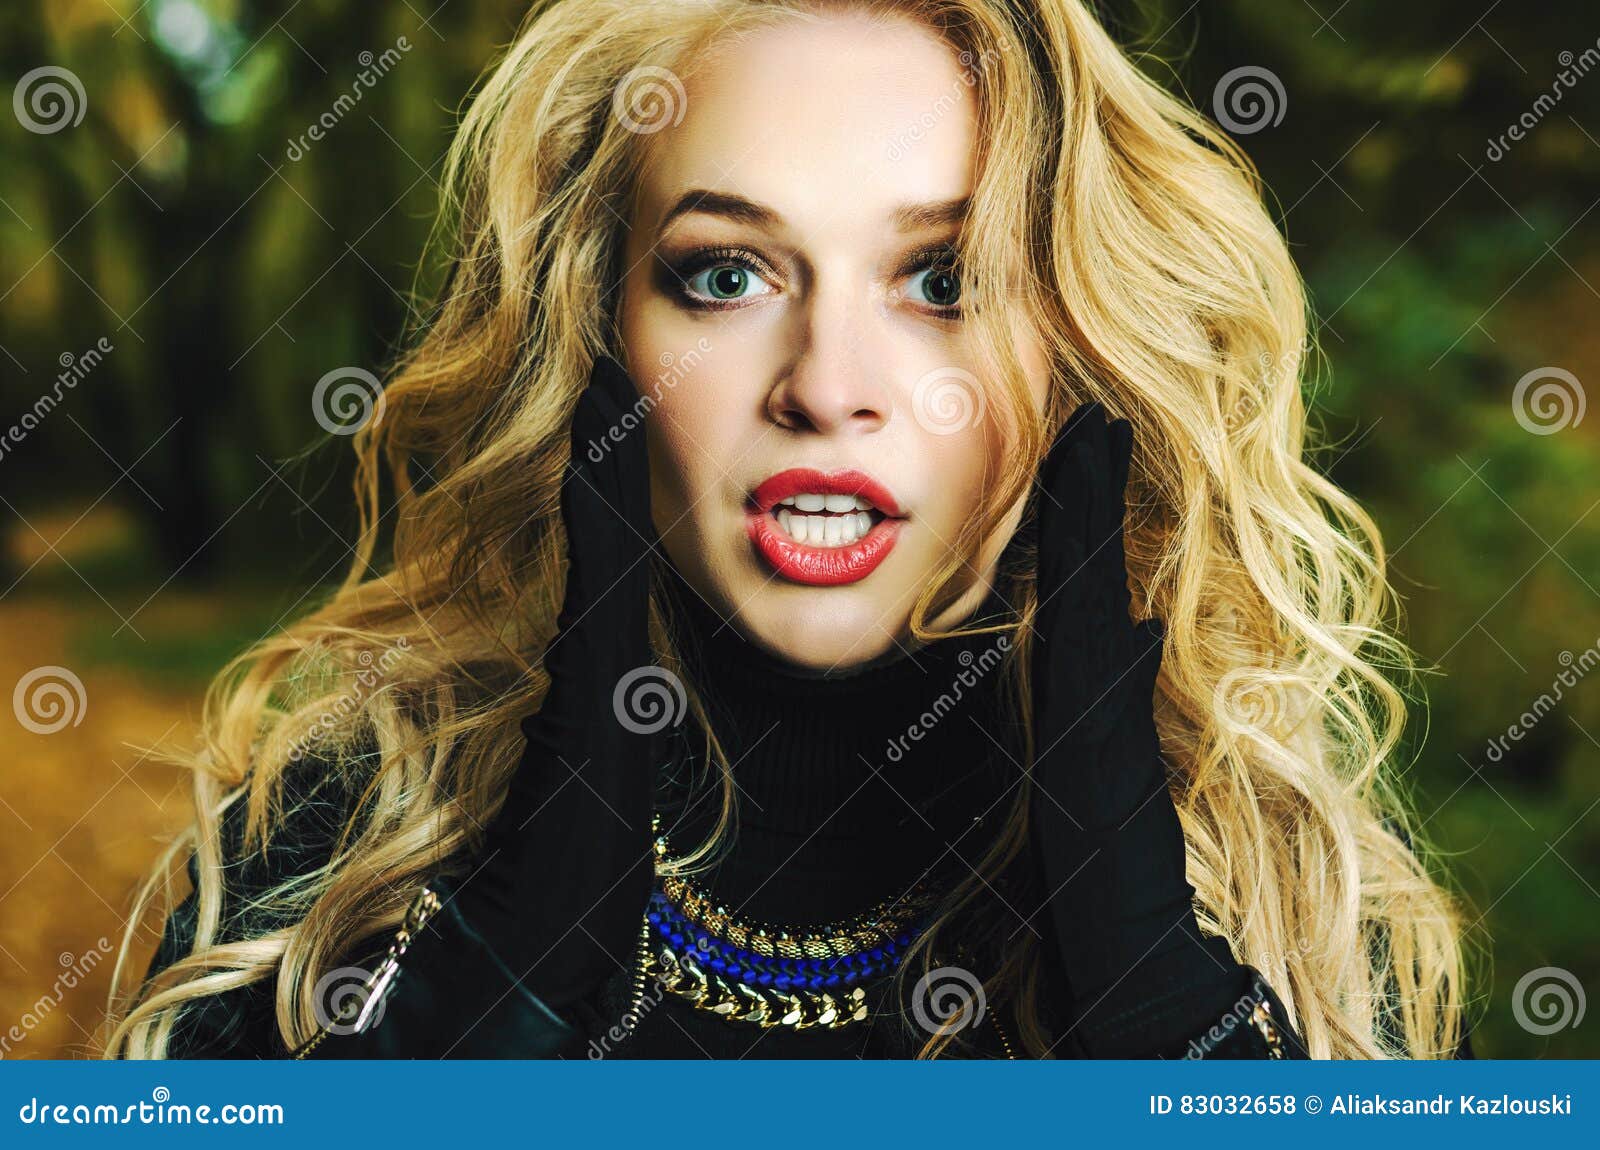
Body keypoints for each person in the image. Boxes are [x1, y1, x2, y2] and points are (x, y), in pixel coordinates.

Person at [107, 0, 1470, 1060]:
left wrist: (1153, 993)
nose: (824, 385)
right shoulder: (323, 852)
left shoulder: (1306, 903)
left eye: (944, 277)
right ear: (595, 331)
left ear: (1078, 353)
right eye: (727, 274)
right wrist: (499, 987)